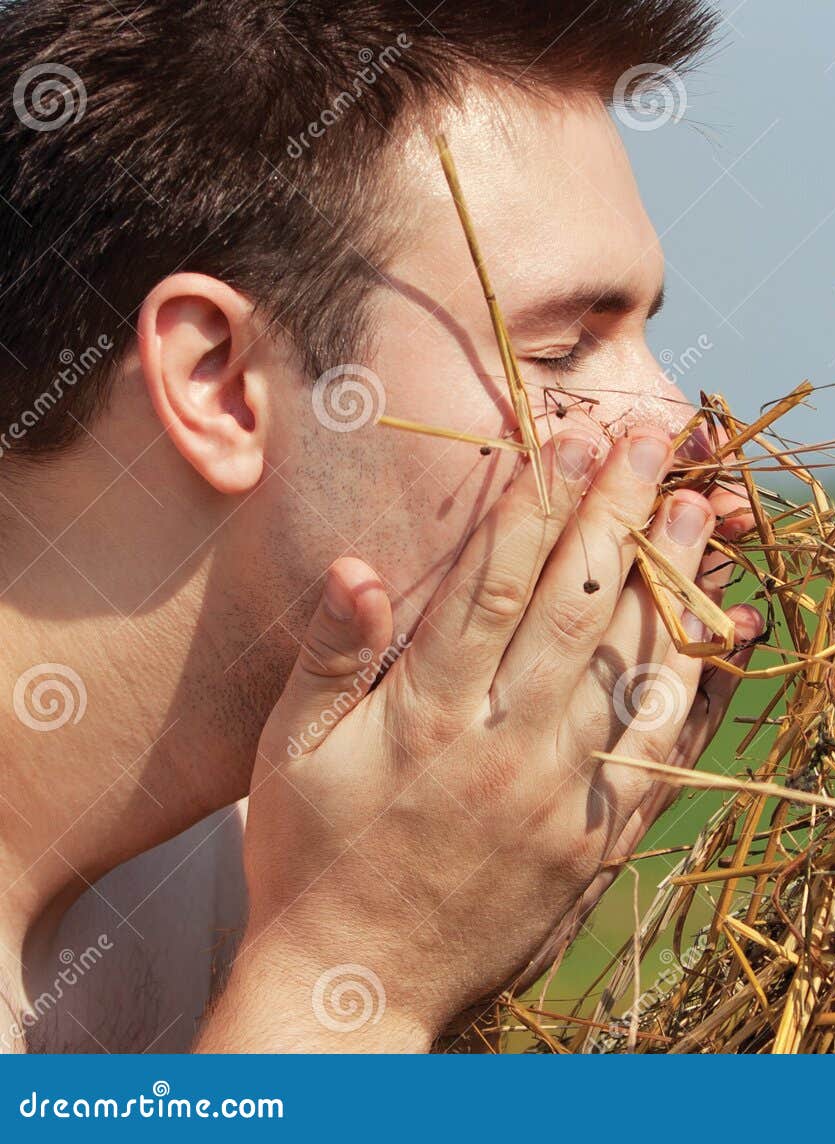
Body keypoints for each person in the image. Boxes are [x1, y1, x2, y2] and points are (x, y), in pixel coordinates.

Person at [0, 0, 760, 1052]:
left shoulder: (267, 842)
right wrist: (353, 976)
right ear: (217, 382)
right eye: (559, 351)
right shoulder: (318, 902)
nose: (683, 427)